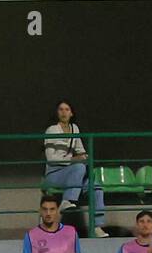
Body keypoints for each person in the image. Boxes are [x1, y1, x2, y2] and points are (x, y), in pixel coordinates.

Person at [42, 99, 108, 238]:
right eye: (61, 109)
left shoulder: (74, 128)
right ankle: (68, 200)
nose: (64, 112)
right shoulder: (52, 130)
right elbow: (51, 159)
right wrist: (73, 160)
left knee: (96, 187)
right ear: (57, 113)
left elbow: (80, 151)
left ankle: (96, 226)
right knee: (78, 167)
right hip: (55, 174)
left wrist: (85, 157)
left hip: (73, 176)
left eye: (67, 109)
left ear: (71, 113)